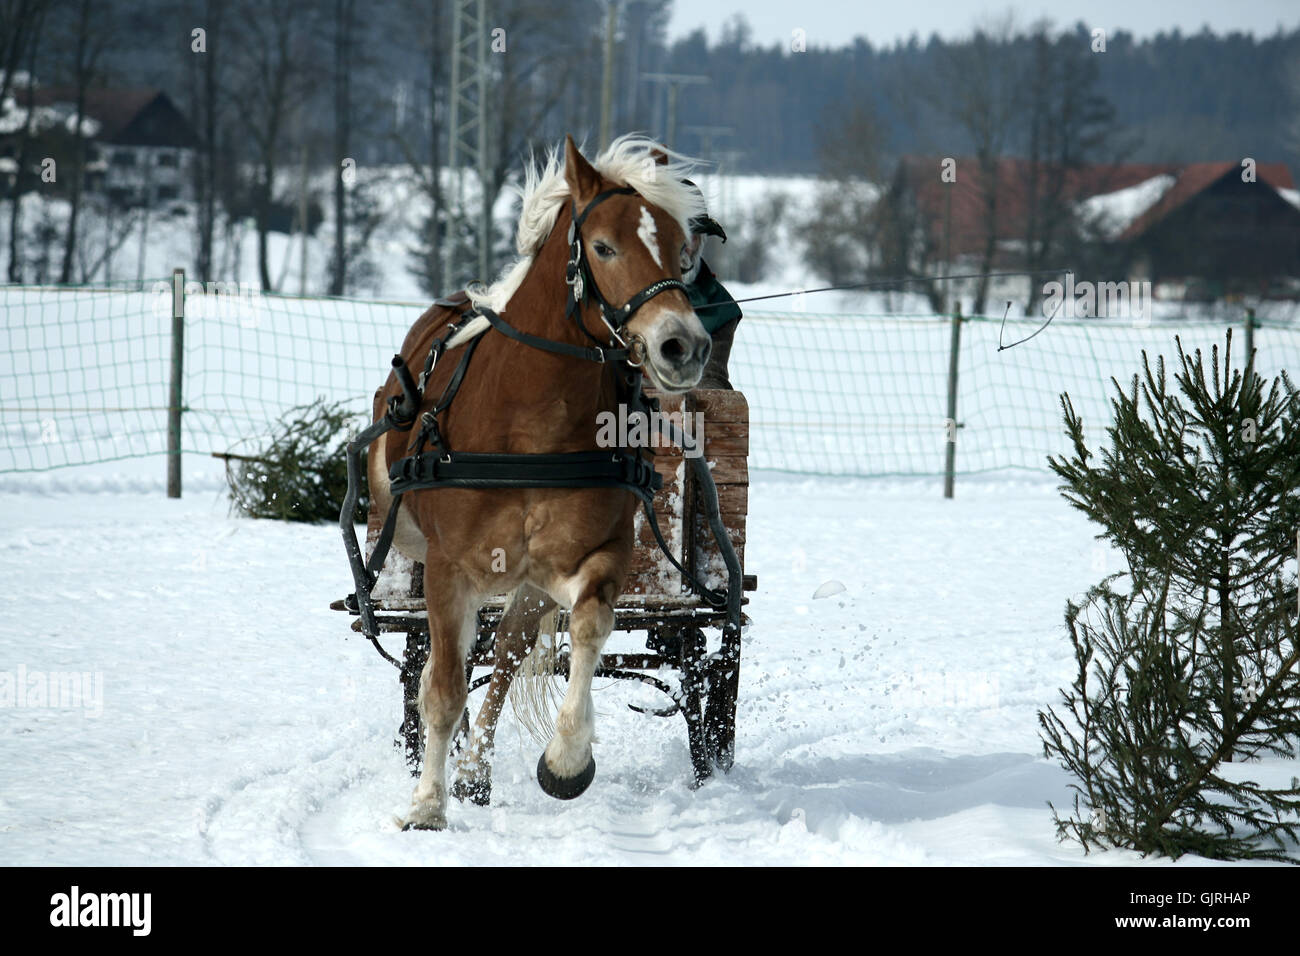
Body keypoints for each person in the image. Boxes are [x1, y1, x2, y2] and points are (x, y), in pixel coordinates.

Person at [680, 180, 742, 390]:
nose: (686, 246)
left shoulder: (720, 307)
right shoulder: (627, 292)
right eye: (677, 235)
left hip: (688, 416)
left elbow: (712, 379)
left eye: (693, 236)